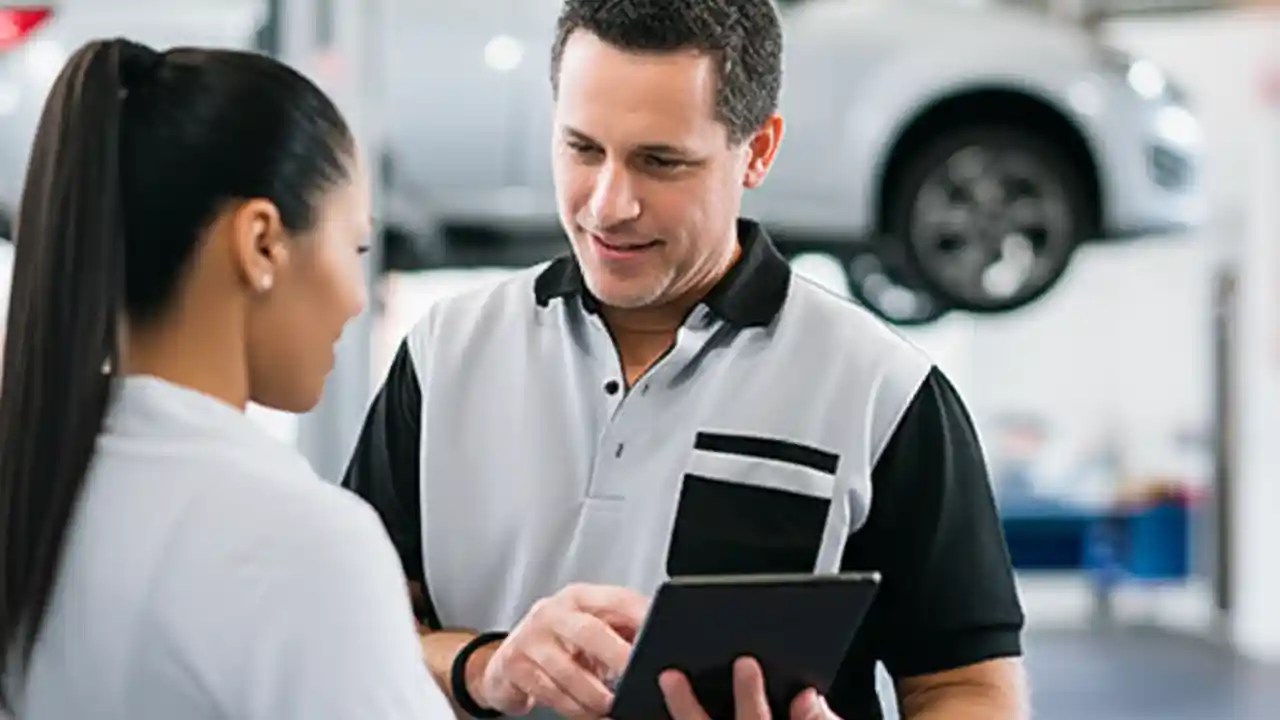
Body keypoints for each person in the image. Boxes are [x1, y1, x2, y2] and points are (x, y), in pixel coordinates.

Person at [343, 1, 1029, 718]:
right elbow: (352, 628)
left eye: (659, 161)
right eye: (581, 149)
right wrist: (485, 669)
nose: (608, 206)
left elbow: (968, 687)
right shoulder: (446, 352)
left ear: (758, 150)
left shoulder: (882, 393)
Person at [0, 38, 454, 719]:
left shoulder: (35, 481)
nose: (358, 299)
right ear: (262, 242)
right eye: (353, 247)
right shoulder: (298, 540)